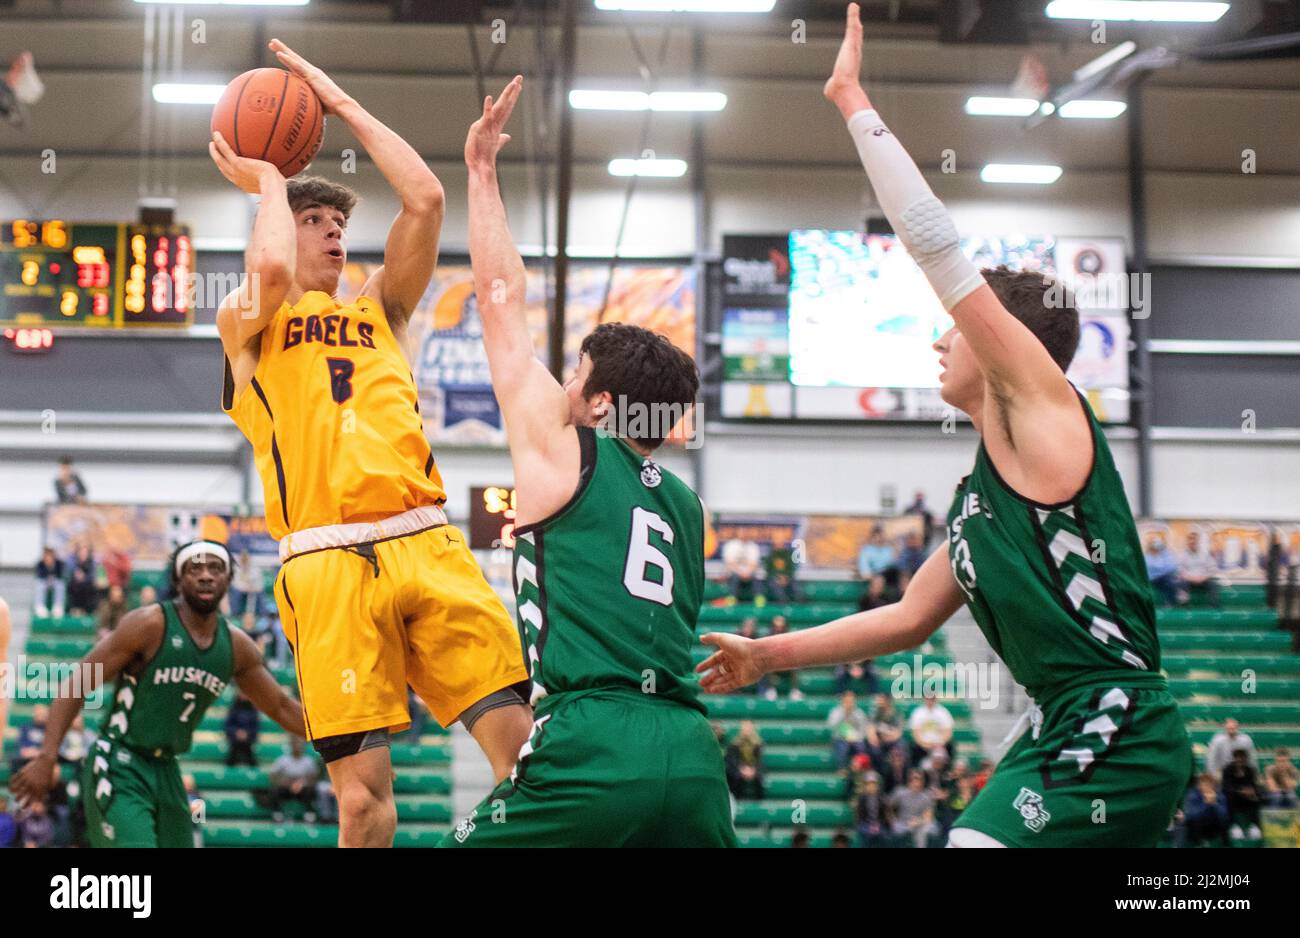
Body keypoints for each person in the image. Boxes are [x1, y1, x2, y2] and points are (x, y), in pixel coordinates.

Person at [697, 3, 1193, 848]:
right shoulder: (979, 503)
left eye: (959, 326)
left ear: (1009, 343)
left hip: (1120, 722)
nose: (939, 335)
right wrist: (765, 653)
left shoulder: (1039, 409)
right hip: (1066, 722)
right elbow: (903, 619)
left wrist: (853, 101)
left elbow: (934, 245)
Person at [211, 40, 531, 847]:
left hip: (426, 540)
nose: (333, 235)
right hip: (325, 559)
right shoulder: (245, 326)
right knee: (362, 804)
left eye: (339, 223)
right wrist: (273, 183)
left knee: (531, 761)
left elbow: (424, 199)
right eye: (317, 221)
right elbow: (274, 266)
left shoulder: (379, 311)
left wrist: (335, 98)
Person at [440, 76, 734, 848]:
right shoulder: (688, 506)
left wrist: (479, 173)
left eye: (575, 373)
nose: (563, 385)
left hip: (593, 742)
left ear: (601, 404)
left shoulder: (563, 449)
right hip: (695, 756)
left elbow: (501, 303)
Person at [8, 540, 307, 848]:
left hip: (167, 769)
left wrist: (338, 732)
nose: (206, 576)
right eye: (196, 568)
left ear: (229, 579)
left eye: (216, 568)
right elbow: (78, 681)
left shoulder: (236, 646)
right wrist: (47, 756)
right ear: (178, 580)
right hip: (119, 762)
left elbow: (282, 707)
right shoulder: (149, 624)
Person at [266, 736, 321, 823]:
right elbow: (273, 776)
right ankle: (277, 813)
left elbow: (314, 777)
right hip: (286, 788)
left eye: (299, 745)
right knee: (274, 791)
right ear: (290, 746)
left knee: (312, 790)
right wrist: (286, 783)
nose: (297, 747)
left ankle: (309, 813)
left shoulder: (308, 761)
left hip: (302, 788)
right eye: (295, 744)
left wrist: (302, 783)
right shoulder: (282, 760)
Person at [888, 768, 939, 848]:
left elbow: (928, 816)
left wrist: (918, 822)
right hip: (903, 823)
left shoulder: (926, 796)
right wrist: (892, 820)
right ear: (909, 781)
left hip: (920, 822)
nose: (916, 783)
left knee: (926, 829)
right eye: (913, 779)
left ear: (922, 782)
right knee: (900, 830)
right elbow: (888, 807)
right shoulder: (900, 792)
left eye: (919, 780)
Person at [1220, 747, 1263, 840]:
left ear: (1245, 759)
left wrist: (1252, 791)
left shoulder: (1250, 770)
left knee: (1258, 798)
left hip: (1248, 798)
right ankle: (1233, 826)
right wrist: (1240, 791)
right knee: (1228, 798)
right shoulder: (1227, 769)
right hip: (1233, 797)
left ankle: (1254, 825)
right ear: (1234, 758)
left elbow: (1255, 785)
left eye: (1242, 757)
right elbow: (1226, 787)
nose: (1239, 760)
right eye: (1237, 757)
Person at [1181, 774, 1231, 847]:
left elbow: (1224, 814)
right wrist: (1206, 804)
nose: (1206, 787)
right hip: (1198, 824)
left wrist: (1214, 803)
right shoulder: (1192, 794)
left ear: (1213, 785)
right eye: (1203, 784)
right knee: (1193, 823)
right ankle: (1197, 844)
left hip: (1213, 823)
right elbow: (1191, 815)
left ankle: (1225, 845)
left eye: (1209, 784)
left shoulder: (1219, 795)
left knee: (1225, 822)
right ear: (1199, 785)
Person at [826, 691, 871, 770]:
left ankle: (861, 769)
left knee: (862, 748)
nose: (849, 703)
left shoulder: (859, 713)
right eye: (847, 701)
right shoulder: (836, 712)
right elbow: (832, 726)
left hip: (856, 738)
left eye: (851, 701)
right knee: (843, 748)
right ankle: (842, 769)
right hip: (840, 737)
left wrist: (855, 737)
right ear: (843, 701)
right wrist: (844, 713)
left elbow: (863, 729)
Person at [1177, 531, 1221, 608]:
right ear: (1187, 543)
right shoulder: (1182, 555)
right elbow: (1179, 570)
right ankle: (1184, 605)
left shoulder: (1205, 554)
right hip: (1188, 580)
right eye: (1190, 541)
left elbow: (1213, 569)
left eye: (1194, 541)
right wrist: (1191, 578)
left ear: (1198, 542)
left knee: (1213, 584)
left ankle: (1214, 606)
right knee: (1181, 583)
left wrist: (1203, 577)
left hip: (1203, 580)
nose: (1192, 543)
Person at [907, 693, 954, 763]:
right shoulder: (917, 713)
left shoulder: (943, 712)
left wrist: (941, 743)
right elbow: (915, 733)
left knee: (951, 746)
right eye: (928, 699)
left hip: (940, 744)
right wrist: (924, 744)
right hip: (922, 745)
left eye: (932, 699)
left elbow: (948, 731)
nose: (930, 701)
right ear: (924, 699)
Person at [724, 721, 765, 800]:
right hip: (739, 768)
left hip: (753, 768)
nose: (746, 731)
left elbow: (759, 760)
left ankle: (759, 802)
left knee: (759, 777)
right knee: (735, 776)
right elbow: (733, 760)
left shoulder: (758, 744)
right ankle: (736, 799)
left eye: (748, 729)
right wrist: (742, 769)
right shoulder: (734, 744)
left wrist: (753, 770)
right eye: (745, 729)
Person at [224, 690, 261, 768]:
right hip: (234, 739)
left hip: (248, 740)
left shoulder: (253, 711)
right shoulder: (233, 709)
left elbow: (255, 727)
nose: (243, 695)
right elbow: (228, 725)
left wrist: (247, 733)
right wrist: (236, 732)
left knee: (248, 752)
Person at [854, 772, 891, 847]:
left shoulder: (882, 798)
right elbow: (860, 816)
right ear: (866, 786)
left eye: (874, 785)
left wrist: (878, 824)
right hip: (865, 823)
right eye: (869, 785)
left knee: (884, 835)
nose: (872, 787)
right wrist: (870, 826)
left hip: (879, 824)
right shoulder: (861, 799)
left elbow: (884, 815)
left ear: (877, 786)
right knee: (867, 835)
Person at [1143, 537, 1180, 607]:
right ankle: (1171, 601)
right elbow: (1152, 568)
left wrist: (1162, 570)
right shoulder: (1147, 556)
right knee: (1169, 580)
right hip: (1153, 579)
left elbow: (1172, 567)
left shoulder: (1165, 554)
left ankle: (1172, 602)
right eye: (1155, 545)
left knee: (1172, 581)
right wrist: (1163, 569)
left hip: (1166, 577)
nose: (1157, 548)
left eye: (1160, 546)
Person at [66, 543, 99, 616]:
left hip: (87, 585)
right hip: (75, 585)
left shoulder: (92, 562)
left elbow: (93, 576)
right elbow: (69, 573)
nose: (83, 554)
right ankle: (75, 609)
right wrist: (76, 574)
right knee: (75, 585)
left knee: (89, 587)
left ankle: (88, 610)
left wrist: (84, 577)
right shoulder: (73, 561)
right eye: (81, 552)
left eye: (85, 552)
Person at [33, 547, 65, 619]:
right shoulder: (40, 564)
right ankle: (39, 607)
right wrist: (47, 575)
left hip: (55, 582)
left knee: (60, 585)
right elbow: (39, 575)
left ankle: (58, 607)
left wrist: (52, 576)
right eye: (47, 556)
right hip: (44, 582)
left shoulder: (59, 564)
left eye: (50, 556)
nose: (49, 558)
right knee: (39, 585)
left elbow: (60, 575)